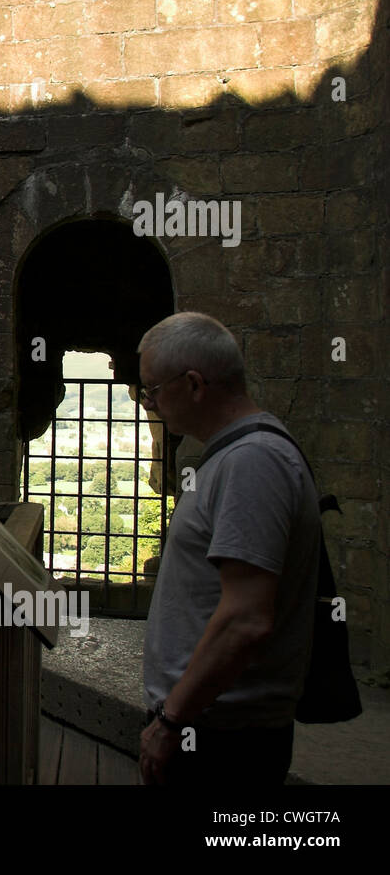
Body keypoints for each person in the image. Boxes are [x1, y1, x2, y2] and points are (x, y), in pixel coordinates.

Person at [136, 312, 320, 785]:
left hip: (219, 740)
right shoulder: (240, 455)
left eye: (152, 391)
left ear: (194, 384)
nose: (148, 405)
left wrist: (172, 720)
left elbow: (245, 619)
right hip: (212, 727)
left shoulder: (251, 463)